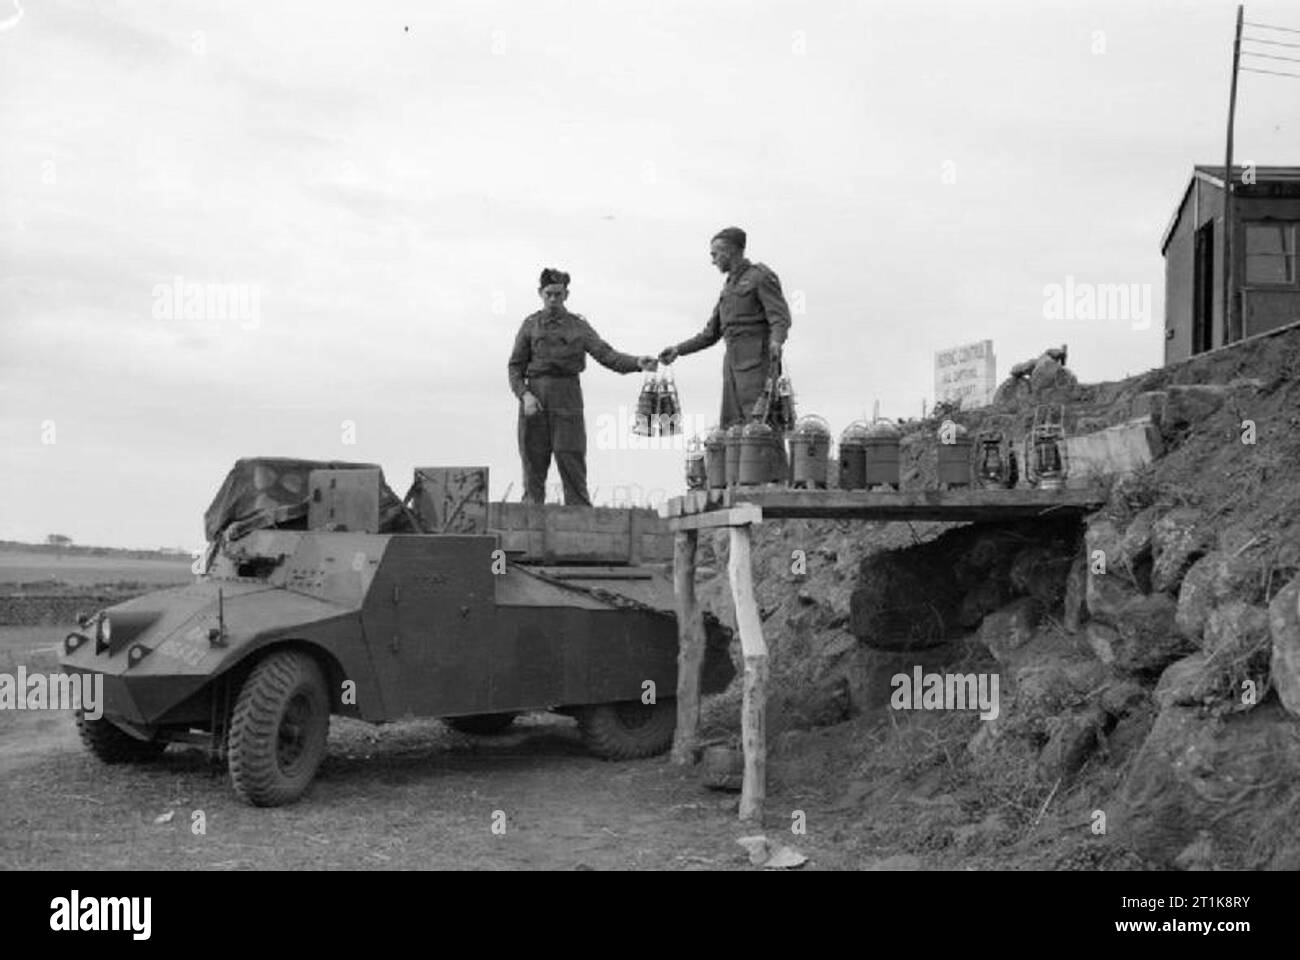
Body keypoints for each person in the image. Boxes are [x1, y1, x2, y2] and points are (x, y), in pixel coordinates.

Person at [508, 267, 658, 506]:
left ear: (567, 294)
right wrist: (524, 395)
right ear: (540, 293)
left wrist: (637, 363)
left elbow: (607, 355)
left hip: (567, 397)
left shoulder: (578, 326)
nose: (553, 299)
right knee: (533, 465)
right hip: (535, 398)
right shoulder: (530, 325)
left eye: (558, 294)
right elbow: (515, 367)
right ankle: (530, 524)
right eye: (549, 294)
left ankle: (580, 523)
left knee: (571, 459)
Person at [657, 226, 792, 429]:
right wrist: (678, 350)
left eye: (715, 254)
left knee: (761, 426)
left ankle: (770, 461)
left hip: (758, 362)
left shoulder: (760, 277)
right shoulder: (728, 288)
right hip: (732, 364)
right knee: (732, 426)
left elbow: (780, 317)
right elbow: (710, 334)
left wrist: (776, 342)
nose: (713, 260)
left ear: (729, 251)